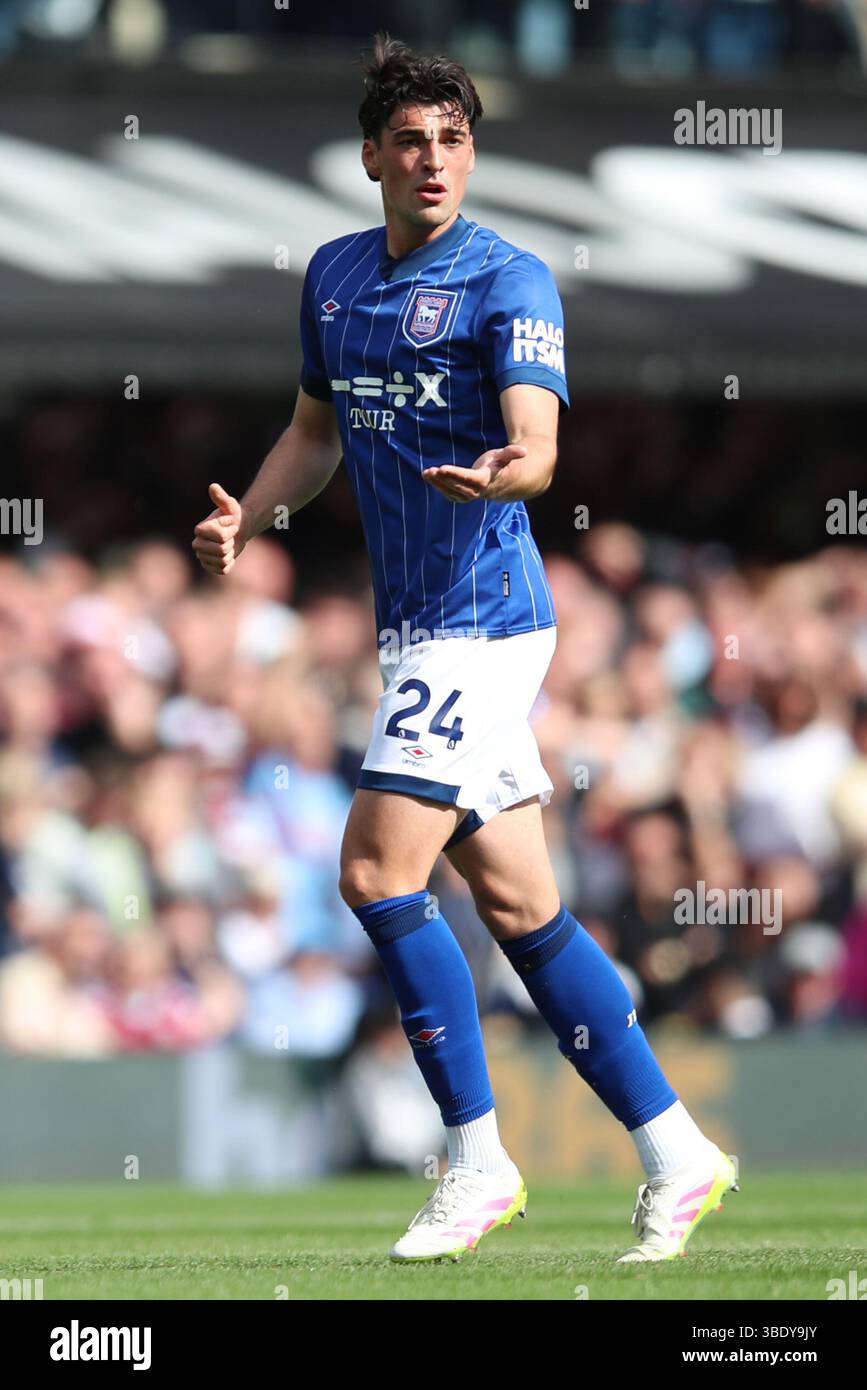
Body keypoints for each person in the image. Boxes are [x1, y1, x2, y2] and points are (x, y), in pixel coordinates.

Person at [192, 31, 738, 1264]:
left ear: (471, 153)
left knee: (379, 876)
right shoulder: (332, 277)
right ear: (373, 158)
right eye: (412, 141)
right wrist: (253, 511)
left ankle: (477, 1161)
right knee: (522, 906)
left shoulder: (510, 279)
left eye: (454, 139)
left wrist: (512, 471)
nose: (435, 160)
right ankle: (677, 1149)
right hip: (414, 633)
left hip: (486, 623)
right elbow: (311, 433)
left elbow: (540, 444)